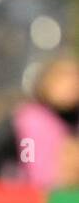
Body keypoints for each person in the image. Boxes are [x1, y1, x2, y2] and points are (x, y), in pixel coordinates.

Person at [12, 54, 79, 189]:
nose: (71, 86)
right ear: (47, 82)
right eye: (63, 79)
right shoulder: (30, 118)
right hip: (28, 196)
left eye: (75, 80)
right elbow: (30, 164)